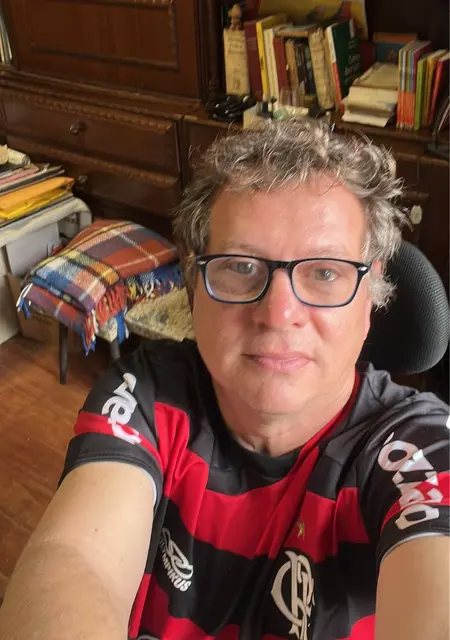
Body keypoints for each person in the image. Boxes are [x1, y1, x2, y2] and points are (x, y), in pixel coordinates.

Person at [0, 119, 448, 640]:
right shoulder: (148, 395)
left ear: (370, 297)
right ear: (194, 282)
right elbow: (73, 561)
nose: (278, 315)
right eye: (240, 266)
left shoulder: (415, 447)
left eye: (325, 272)